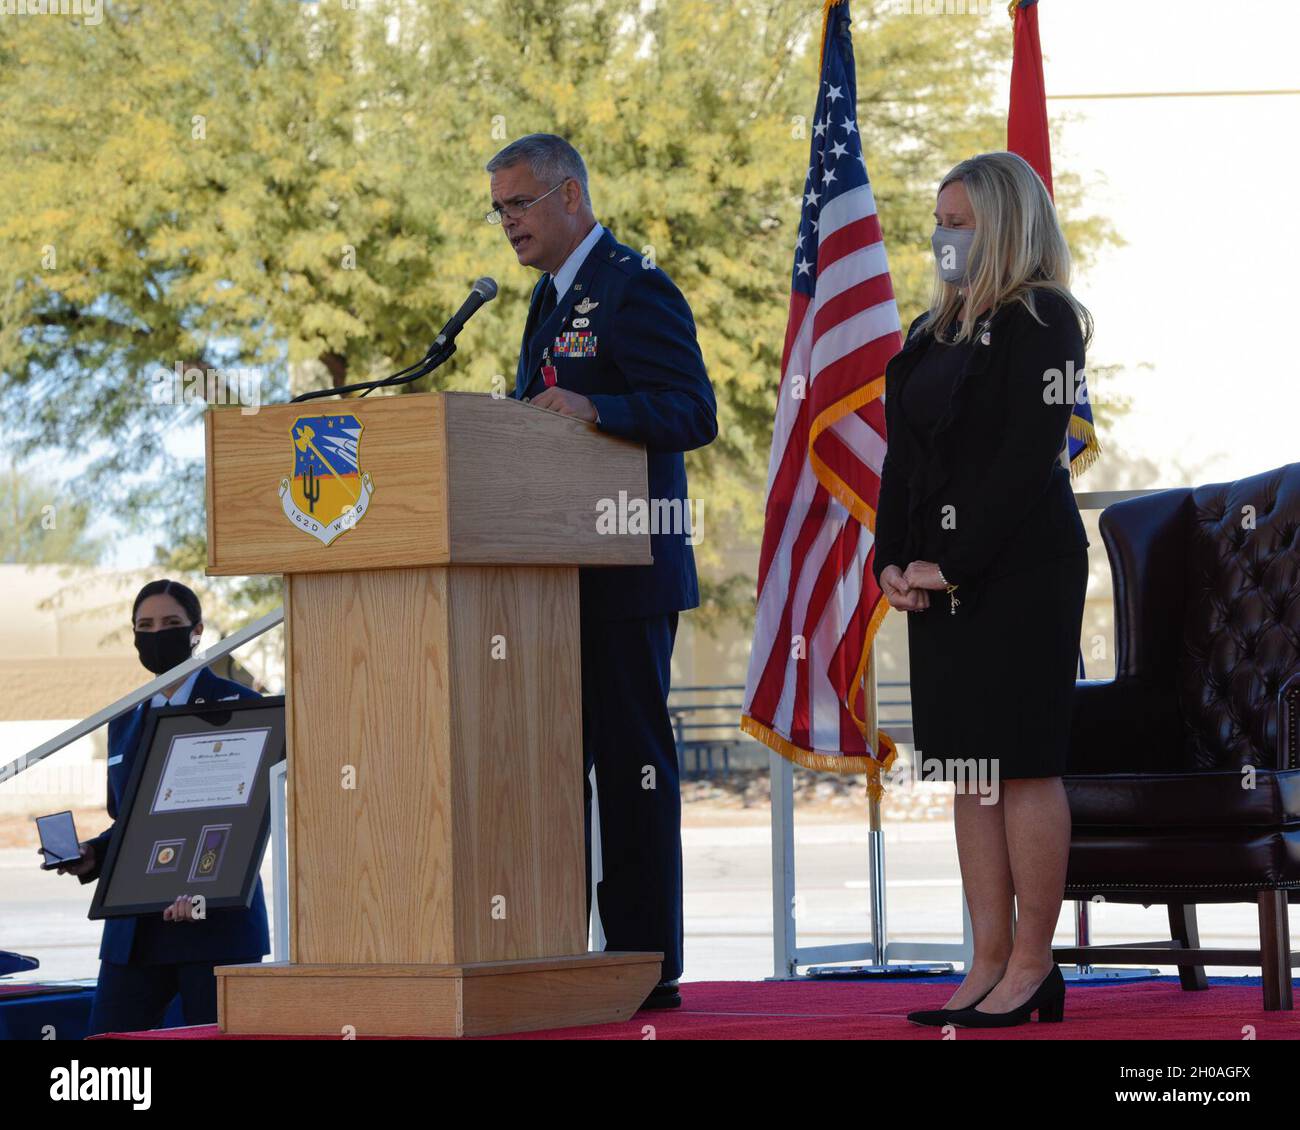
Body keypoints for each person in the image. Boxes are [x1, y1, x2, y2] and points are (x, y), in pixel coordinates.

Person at [486, 133, 717, 1008]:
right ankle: (566, 950)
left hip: (626, 571)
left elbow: (693, 411)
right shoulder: (548, 298)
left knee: (633, 770)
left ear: (570, 194)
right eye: (499, 208)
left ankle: (646, 962)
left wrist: (597, 405)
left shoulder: (632, 284)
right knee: (555, 768)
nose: (506, 222)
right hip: (554, 579)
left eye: (519, 203)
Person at [871, 151, 1092, 1028]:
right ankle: (987, 962)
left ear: (1004, 226)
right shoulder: (933, 333)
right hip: (936, 581)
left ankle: (1034, 968)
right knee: (970, 771)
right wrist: (893, 557)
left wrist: (953, 560)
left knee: (1023, 766)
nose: (943, 236)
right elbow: (906, 458)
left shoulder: (1047, 319)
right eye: (939, 220)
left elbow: (1026, 458)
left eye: (960, 222)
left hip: (1021, 571)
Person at [46, 579, 269, 1035]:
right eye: (144, 626)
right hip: (136, 929)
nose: (156, 634)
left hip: (215, 922)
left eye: (170, 623)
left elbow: (250, 814)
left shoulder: (242, 707)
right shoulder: (125, 717)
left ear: (197, 630)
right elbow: (132, 820)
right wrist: (94, 854)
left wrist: (205, 880)